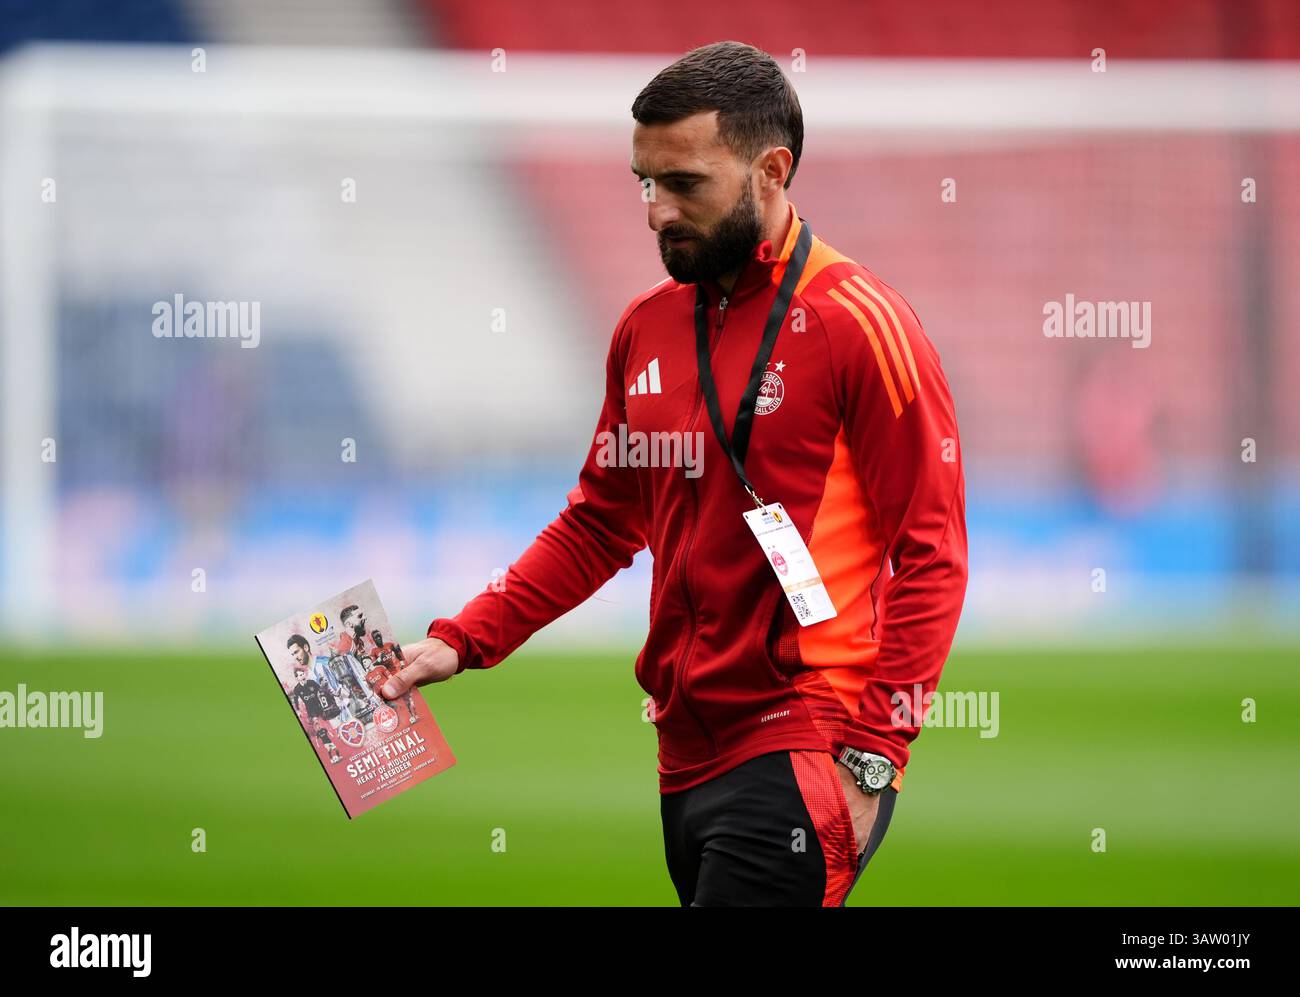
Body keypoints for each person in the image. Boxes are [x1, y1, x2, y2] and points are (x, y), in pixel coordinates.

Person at [384, 40, 968, 906]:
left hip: (804, 740)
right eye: (644, 182)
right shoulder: (645, 329)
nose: (657, 210)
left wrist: (876, 754)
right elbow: (600, 521)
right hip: (681, 753)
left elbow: (933, 554)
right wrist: (464, 637)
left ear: (772, 171)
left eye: (684, 183)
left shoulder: (861, 325)